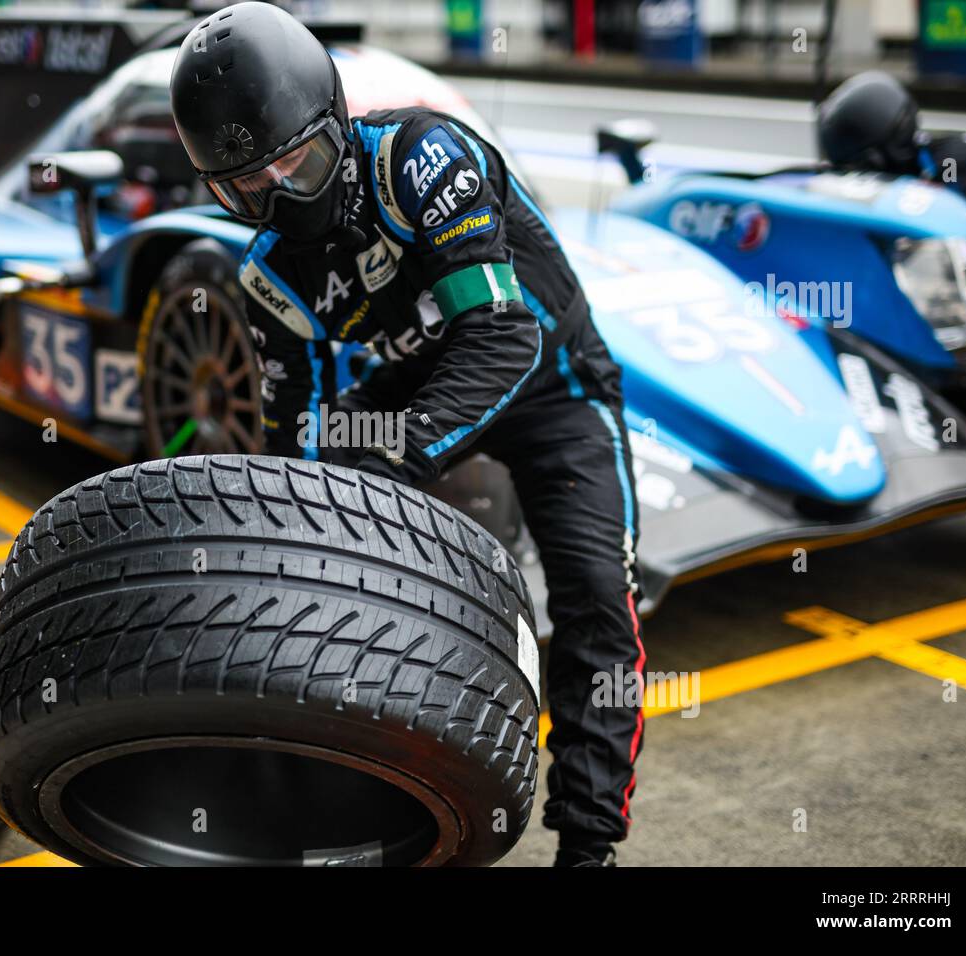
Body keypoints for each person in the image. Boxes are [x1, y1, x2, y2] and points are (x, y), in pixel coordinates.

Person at [170, 2, 645, 866]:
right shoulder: (270, 275)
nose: (283, 199)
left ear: (338, 126)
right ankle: (352, 781)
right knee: (316, 520)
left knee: (598, 606)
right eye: (249, 188)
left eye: (299, 165)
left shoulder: (426, 158)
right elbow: (296, 444)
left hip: (556, 381)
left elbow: (504, 336)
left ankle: (589, 845)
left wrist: (397, 453)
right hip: (424, 379)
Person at [817, 70, 966, 240]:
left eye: (862, 167)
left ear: (880, 157)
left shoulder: (950, 164)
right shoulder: (929, 159)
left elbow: (961, 235)